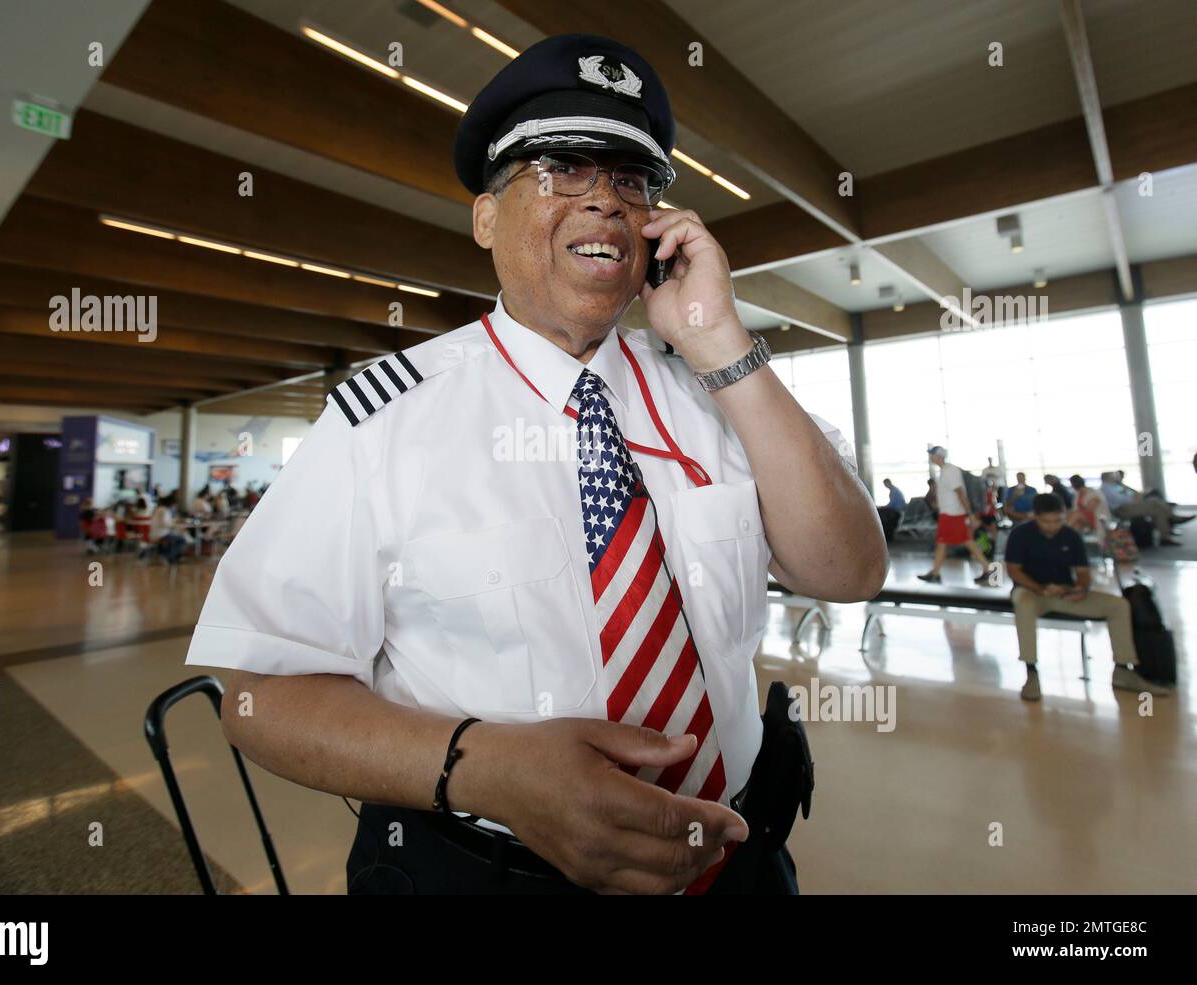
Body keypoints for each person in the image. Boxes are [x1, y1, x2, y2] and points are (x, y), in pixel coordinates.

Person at [185, 34, 886, 898]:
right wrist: (484, 766)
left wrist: (721, 342)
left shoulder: (718, 398)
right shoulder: (384, 421)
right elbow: (258, 696)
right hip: (488, 876)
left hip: (736, 865)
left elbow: (849, 568)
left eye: (631, 180)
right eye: (561, 168)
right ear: (486, 217)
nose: (603, 201)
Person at [1005, 494, 1167, 702]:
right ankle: (1031, 672)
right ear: (1035, 517)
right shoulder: (1020, 535)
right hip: (1032, 593)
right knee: (1023, 603)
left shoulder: (1070, 536)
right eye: (1047, 521)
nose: (1052, 526)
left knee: (1118, 606)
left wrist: (1080, 589)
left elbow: (1083, 573)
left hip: (1065, 592)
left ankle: (1123, 669)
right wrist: (1041, 589)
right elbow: (1014, 571)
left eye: (1057, 520)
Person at [918, 446, 994, 585]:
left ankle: (935, 573)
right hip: (950, 513)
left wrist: (970, 514)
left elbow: (960, 493)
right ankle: (935, 572)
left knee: (950, 542)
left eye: (932, 455)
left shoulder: (950, 471)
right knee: (951, 542)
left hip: (952, 515)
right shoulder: (946, 471)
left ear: (939, 456)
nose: (930, 458)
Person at [1100, 471, 1179, 546]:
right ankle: (1171, 521)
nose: (1115, 477)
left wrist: (1125, 488)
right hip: (1123, 510)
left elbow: (1132, 494)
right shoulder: (1106, 488)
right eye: (1113, 476)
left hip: (1127, 506)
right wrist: (1134, 497)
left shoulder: (1114, 486)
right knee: (1156, 505)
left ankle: (1169, 524)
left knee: (1155, 503)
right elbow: (1121, 500)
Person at [150, 491, 187, 565]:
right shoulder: (164, 510)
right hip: (161, 534)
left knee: (174, 538)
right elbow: (165, 523)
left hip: (154, 533)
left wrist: (173, 521)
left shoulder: (159, 509)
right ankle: (168, 557)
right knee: (181, 540)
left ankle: (167, 555)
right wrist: (175, 524)